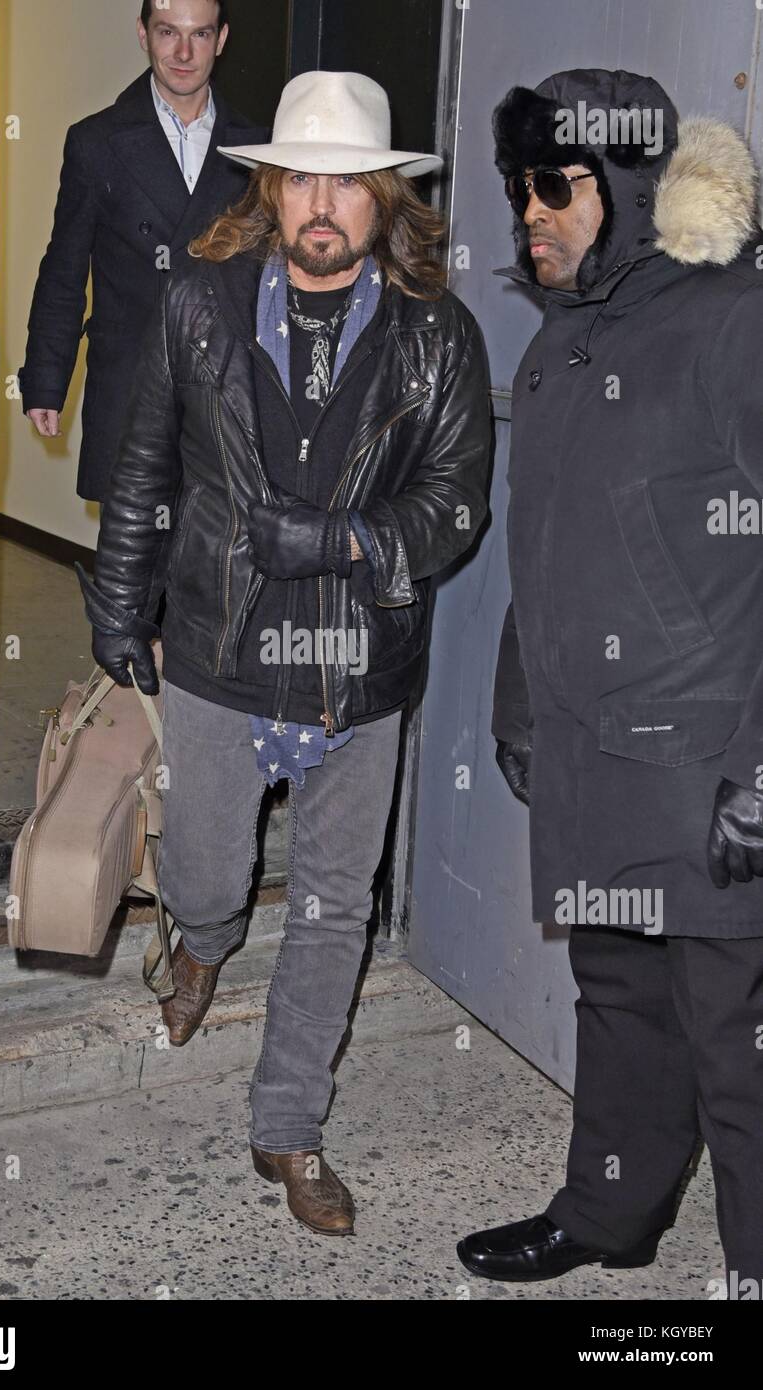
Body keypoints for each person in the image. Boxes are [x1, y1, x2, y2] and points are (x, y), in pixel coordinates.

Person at [76, 70, 492, 1236]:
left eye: (348, 182)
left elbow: (457, 506)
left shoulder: (436, 336)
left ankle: (290, 1126)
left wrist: (352, 537)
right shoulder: (198, 305)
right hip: (218, 649)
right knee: (209, 871)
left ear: (382, 202)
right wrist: (120, 602)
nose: (323, 201)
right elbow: (144, 464)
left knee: (328, 909)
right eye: (302, 175)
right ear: (271, 188)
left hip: (361, 675)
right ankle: (203, 940)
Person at [458, 68, 763, 1294]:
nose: (526, 212)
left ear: (628, 187)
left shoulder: (732, 317)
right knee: (618, 997)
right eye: (515, 185)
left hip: (706, 771)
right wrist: (521, 703)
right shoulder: (568, 331)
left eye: (553, 184)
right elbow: (554, 541)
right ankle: (609, 1212)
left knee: (732, 1047)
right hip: (596, 756)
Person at [18, 0, 268, 503]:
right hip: (130, 383)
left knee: (214, 566)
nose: (182, 52)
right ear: (142, 34)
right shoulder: (95, 142)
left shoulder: (258, 150)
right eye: (167, 32)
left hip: (226, 391)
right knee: (131, 569)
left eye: (199, 35)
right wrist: (46, 380)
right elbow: (64, 270)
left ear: (221, 40)